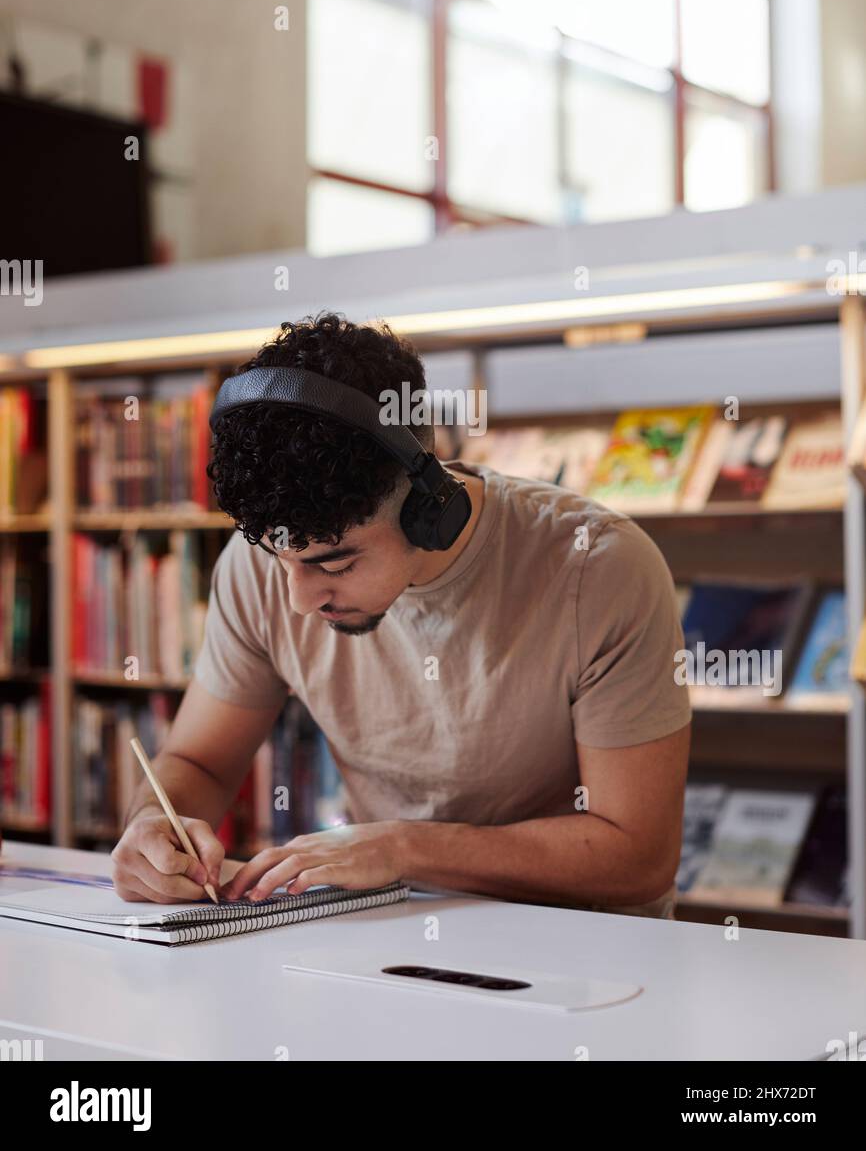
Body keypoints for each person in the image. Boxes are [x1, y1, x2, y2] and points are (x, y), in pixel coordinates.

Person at [112, 312, 691, 918]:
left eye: (335, 564)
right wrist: (155, 822)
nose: (298, 600)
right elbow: (200, 763)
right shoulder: (261, 563)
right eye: (279, 560)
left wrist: (402, 848)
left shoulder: (600, 569)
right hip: (386, 927)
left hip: (583, 943)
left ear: (428, 510)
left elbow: (640, 857)